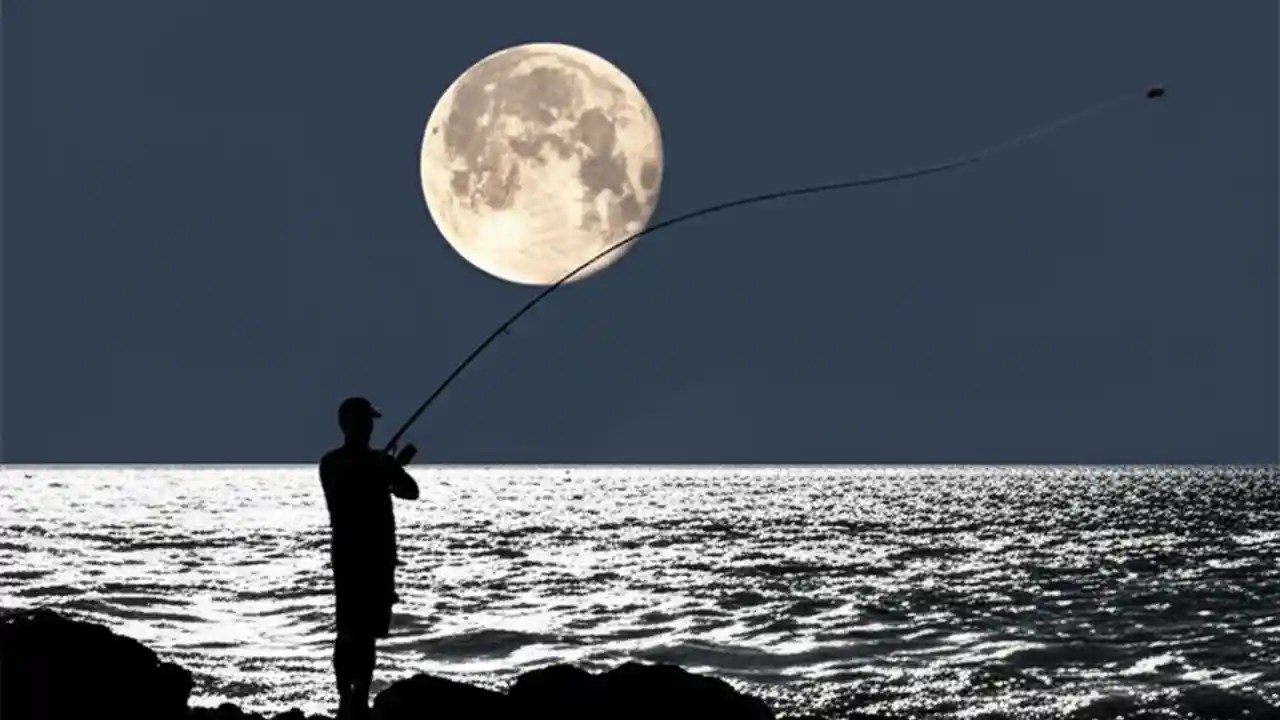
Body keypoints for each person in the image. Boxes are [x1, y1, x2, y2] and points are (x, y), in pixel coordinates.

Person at [318, 396, 420, 719]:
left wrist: (386, 469)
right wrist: (392, 468)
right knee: (365, 633)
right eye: (369, 421)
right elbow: (410, 490)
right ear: (364, 425)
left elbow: (361, 487)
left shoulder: (330, 463)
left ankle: (346, 699)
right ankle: (357, 698)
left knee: (349, 629)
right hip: (374, 556)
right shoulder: (378, 465)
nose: (372, 426)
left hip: (347, 556)